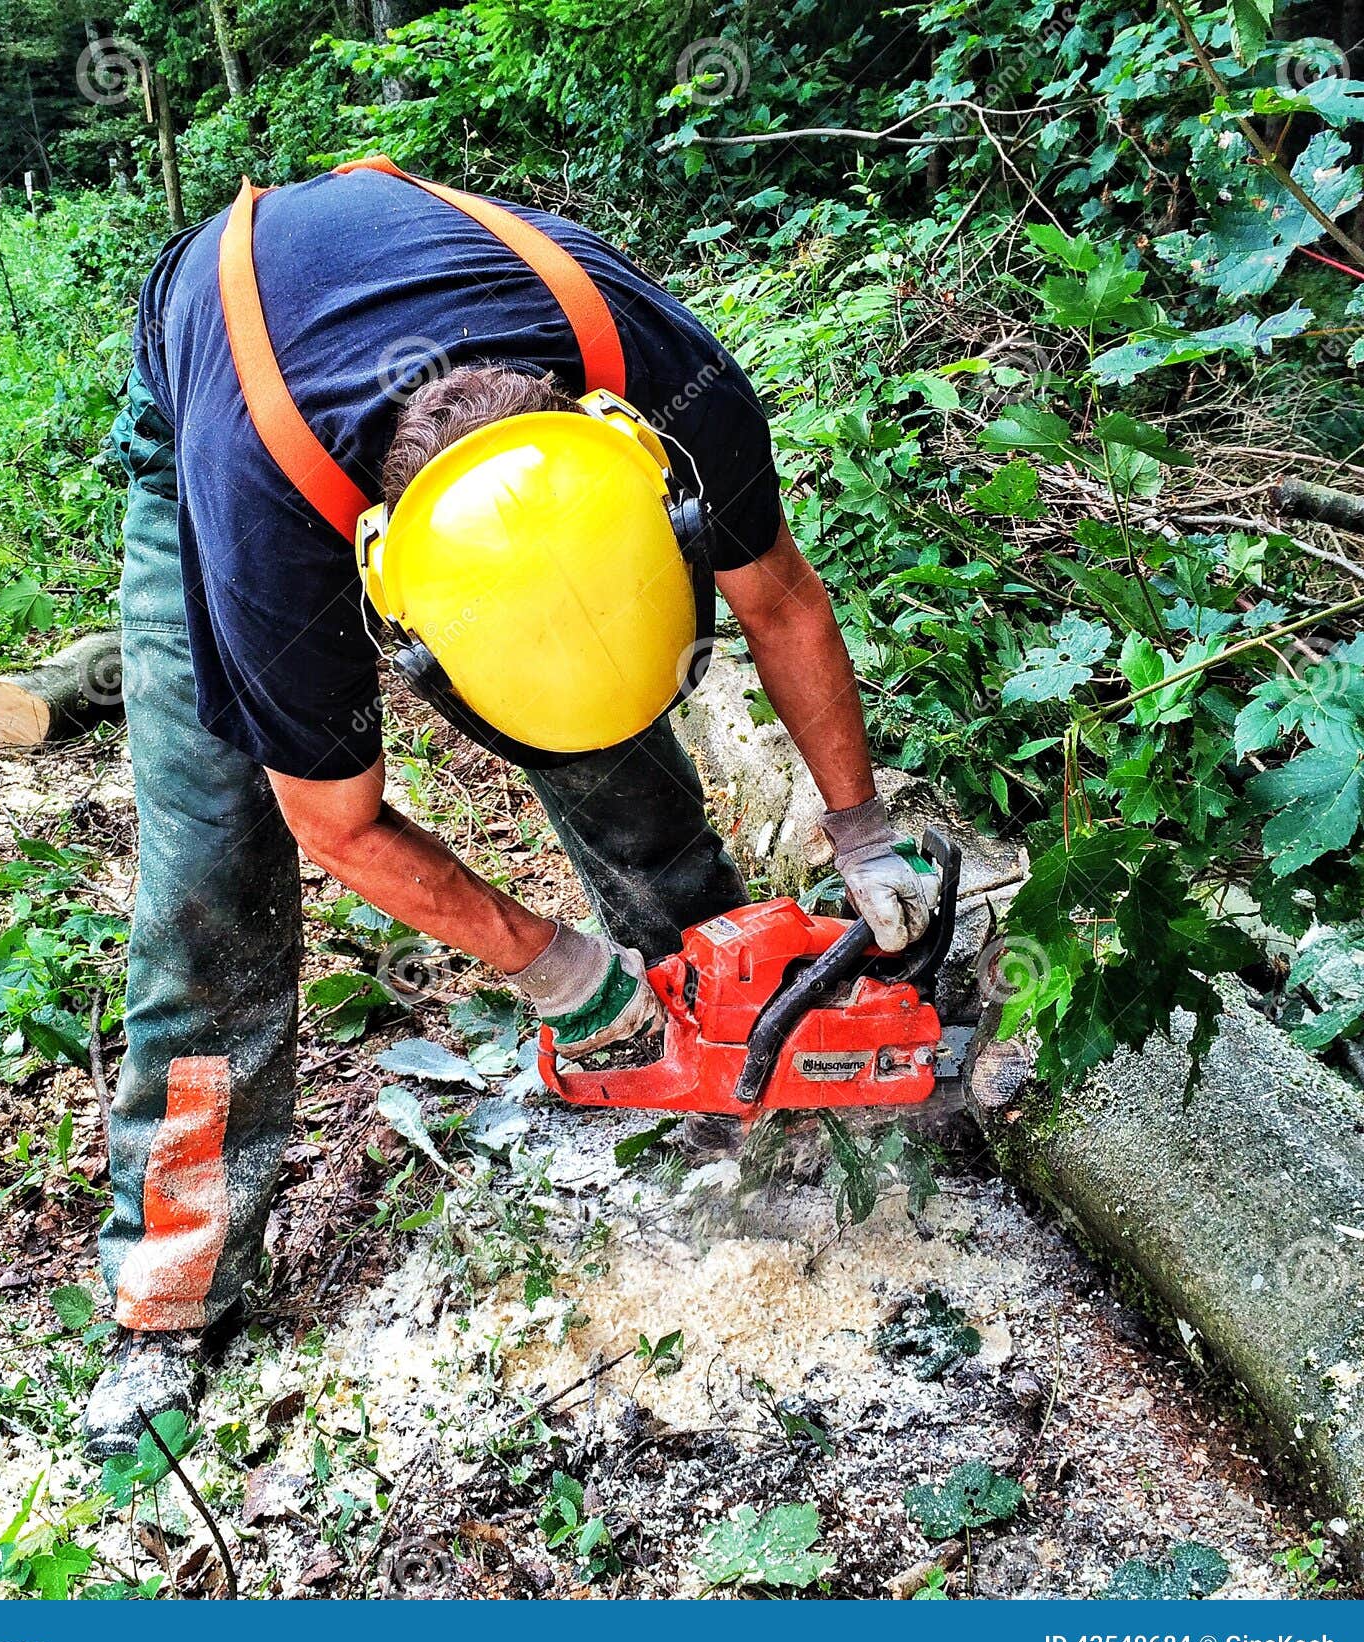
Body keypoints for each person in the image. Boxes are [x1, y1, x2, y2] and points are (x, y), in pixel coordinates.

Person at [82, 158, 936, 1457]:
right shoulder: (268, 525)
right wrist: (557, 969)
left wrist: (861, 828)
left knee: (613, 750)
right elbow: (337, 823)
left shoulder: (653, 364)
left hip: (430, 385)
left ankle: (730, 1059)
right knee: (216, 876)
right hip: (217, 399)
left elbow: (780, 597)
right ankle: (169, 1297)